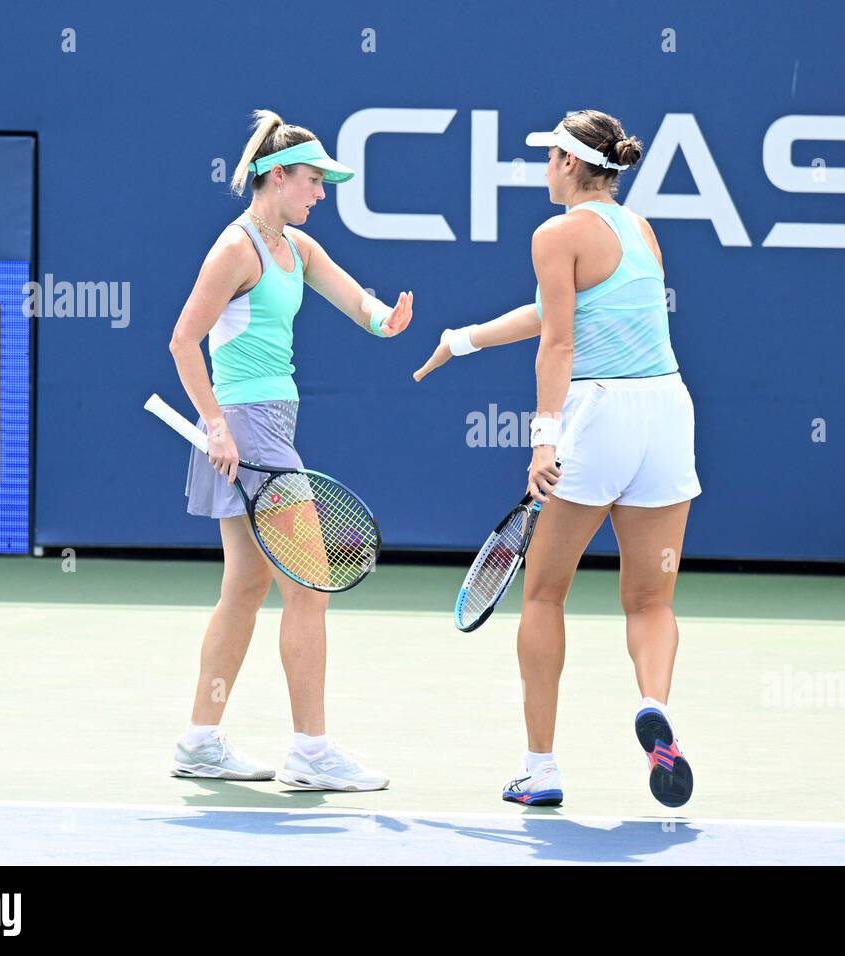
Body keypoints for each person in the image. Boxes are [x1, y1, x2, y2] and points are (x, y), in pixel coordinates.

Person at [414, 109, 700, 808]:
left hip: (598, 418)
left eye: (548, 157)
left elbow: (561, 345)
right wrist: (467, 338)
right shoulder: (639, 229)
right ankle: (653, 704)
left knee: (544, 594)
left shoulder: (555, 233)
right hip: (666, 413)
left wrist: (545, 436)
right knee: (650, 598)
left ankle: (540, 770)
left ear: (571, 164)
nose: (543, 169)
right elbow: (558, 311)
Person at [167, 109, 412, 790]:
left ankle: (199, 739)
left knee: (245, 589)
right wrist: (215, 424)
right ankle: (311, 750)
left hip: (270, 425)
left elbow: (354, 299)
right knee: (310, 589)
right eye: (312, 180)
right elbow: (184, 341)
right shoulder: (235, 250)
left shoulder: (297, 249)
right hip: (249, 432)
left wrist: (384, 320)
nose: (321, 192)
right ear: (276, 178)